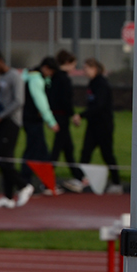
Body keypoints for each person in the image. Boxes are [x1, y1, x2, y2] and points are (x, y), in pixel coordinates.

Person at [0, 49, 33, 209]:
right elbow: (1, 100)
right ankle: (8, 196)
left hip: (11, 122)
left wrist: (2, 116)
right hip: (1, 122)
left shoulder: (14, 76)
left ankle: (24, 186)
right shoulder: (3, 78)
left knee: (5, 159)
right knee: (3, 159)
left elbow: (19, 101)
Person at [77, 58, 121, 194]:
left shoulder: (101, 84)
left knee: (107, 154)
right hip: (93, 124)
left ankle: (117, 183)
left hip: (103, 125)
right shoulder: (92, 83)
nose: (85, 72)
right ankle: (81, 180)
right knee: (85, 153)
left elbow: (99, 105)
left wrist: (82, 115)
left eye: (86, 69)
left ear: (94, 68)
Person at [21, 57, 61, 193]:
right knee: (33, 151)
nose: (51, 75)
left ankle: (47, 184)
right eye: (51, 72)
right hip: (32, 119)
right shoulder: (36, 80)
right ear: (46, 68)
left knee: (41, 151)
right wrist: (51, 121)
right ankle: (24, 183)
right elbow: (41, 102)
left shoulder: (29, 76)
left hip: (28, 118)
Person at [51, 49, 85, 192]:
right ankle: (46, 180)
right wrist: (73, 115)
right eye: (73, 65)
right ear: (67, 63)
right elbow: (66, 100)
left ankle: (80, 177)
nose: (74, 68)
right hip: (62, 117)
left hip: (57, 116)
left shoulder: (53, 77)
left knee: (67, 148)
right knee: (57, 149)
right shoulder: (64, 79)